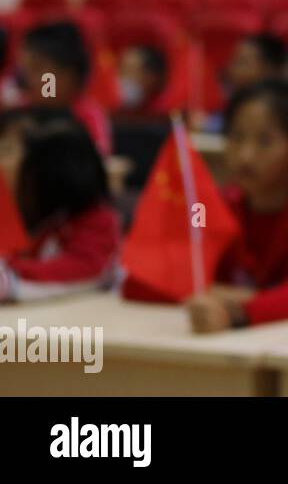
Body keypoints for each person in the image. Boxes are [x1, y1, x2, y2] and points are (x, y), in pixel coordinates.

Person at [123, 79, 288, 331]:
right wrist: (214, 294)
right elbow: (140, 284)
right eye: (236, 137)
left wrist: (235, 313)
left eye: (264, 141)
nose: (245, 155)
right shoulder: (212, 209)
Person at [0, 109, 119, 302]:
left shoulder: (99, 221)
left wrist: (11, 275)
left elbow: (84, 268)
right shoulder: (54, 223)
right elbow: (24, 256)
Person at [17, 22, 111, 155]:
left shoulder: (88, 118)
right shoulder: (18, 115)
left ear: (70, 75)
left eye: (37, 68)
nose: (27, 79)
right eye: (25, 70)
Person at [117, 44, 168, 114]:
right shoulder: (114, 111)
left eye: (128, 71)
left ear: (151, 77)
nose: (120, 77)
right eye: (120, 70)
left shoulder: (165, 113)